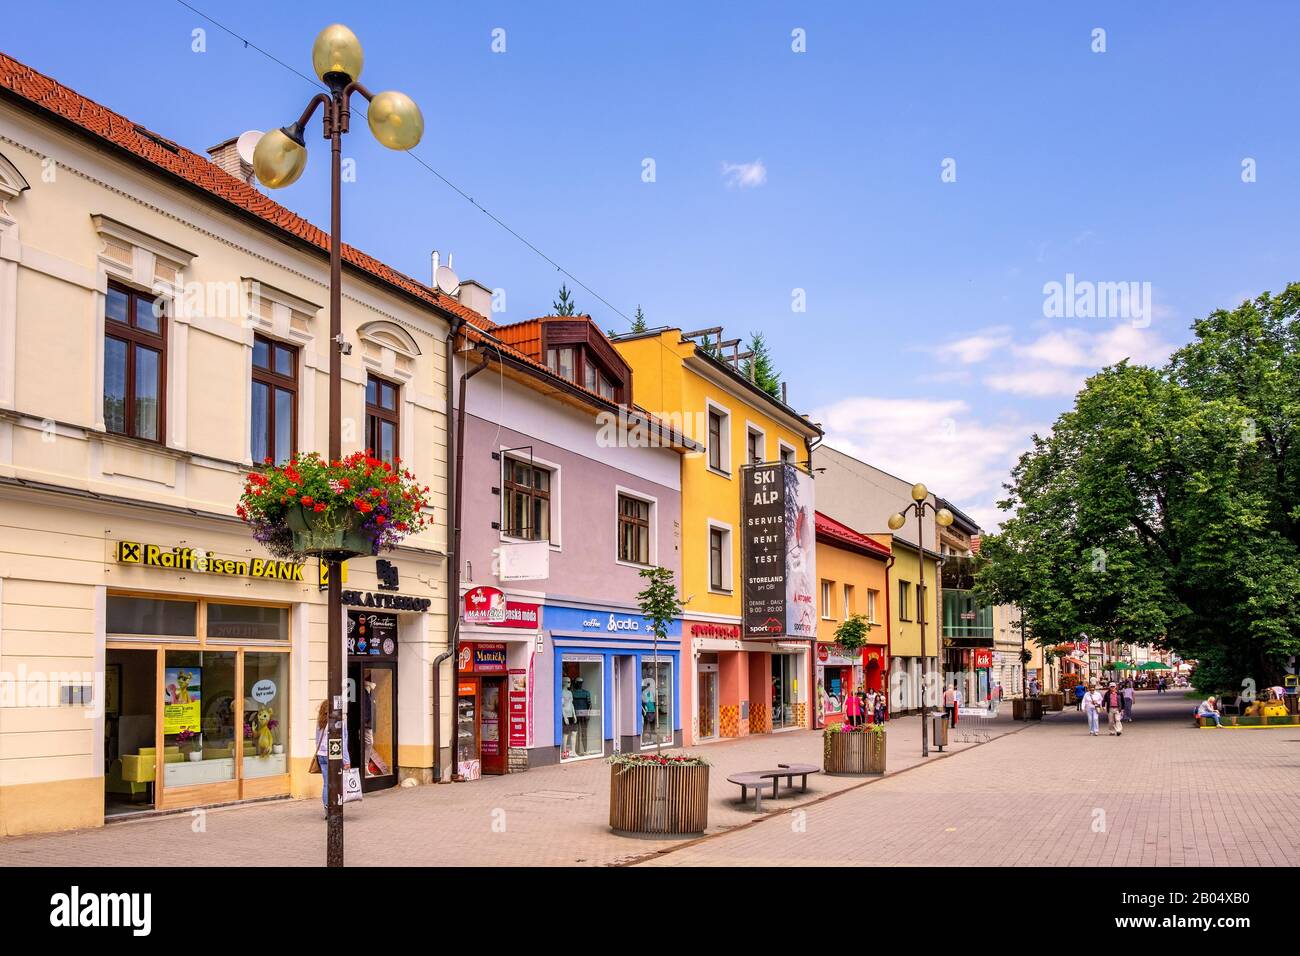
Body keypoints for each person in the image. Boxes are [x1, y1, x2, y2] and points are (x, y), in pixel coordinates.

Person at [315, 698, 351, 818]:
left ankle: (327, 809)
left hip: (321, 755)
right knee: (336, 782)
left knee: (326, 783)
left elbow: (317, 740)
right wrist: (346, 761)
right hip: (334, 755)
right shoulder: (340, 722)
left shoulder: (320, 722)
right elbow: (343, 742)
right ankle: (335, 808)